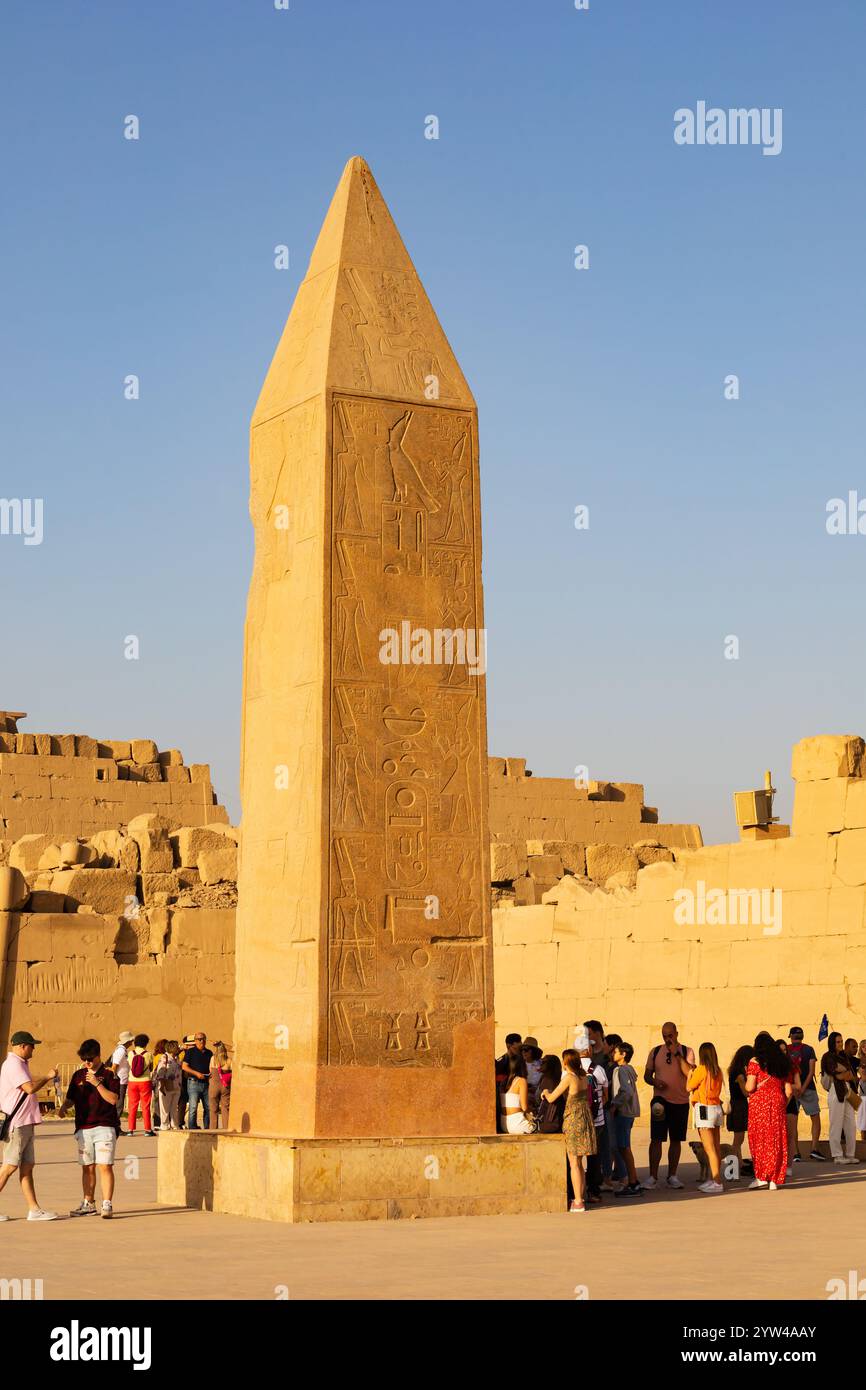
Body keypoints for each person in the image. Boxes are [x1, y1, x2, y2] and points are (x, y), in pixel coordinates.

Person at [0, 1030, 59, 1221]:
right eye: (32, 1045)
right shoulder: (13, 1064)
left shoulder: (21, 1064)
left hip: (26, 1123)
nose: (34, 1049)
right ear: (22, 1046)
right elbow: (30, 1088)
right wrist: (48, 1076)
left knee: (27, 1166)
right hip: (17, 1125)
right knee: (9, 1167)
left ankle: (34, 1210)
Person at [59, 1039, 121, 1219]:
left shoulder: (110, 1075)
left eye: (90, 1059)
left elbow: (112, 1099)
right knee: (87, 1167)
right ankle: (88, 1203)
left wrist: (96, 1083)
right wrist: (64, 1107)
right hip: (83, 1127)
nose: (86, 1063)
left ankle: (107, 1203)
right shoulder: (78, 1075)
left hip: (104, 1126)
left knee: (105, 1166)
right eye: (84, 1059)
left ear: (98, 1055)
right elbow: (71, 1097)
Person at [541, 1048, 595, 1213]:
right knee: (579, 1163)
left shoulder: (569, 1078)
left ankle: (578, 1201)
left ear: (566, 1062)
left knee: (573, 1164)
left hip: (573, 1121)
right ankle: (581, 1196)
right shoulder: (584, 1077)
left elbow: (552, 1097)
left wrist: (545, 1092)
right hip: (584, 1118)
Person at [642, 1022, 695, 1190]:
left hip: (680, 1101)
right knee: (656, 1138)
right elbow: (647, 1076)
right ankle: (652, 1176)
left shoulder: (687, 1051)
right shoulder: (655, 1051)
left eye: (670, 1035)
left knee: (676, 1139)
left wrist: (677, 1054)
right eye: (664, 1036)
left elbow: (689, 1074)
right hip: (660, 1100)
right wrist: (654, 1081)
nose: (667, 1039)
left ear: (677, 1034)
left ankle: (672, 1175)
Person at [745, 1032, 792, 1189]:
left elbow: (750, 1086)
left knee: (759, 1139)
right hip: (777, 1102)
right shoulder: (782, 1062)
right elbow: (789, 1091)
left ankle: (761, 1177)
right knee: (776, 1139)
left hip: (759, 1104)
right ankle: (774, 1180)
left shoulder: (755, 1062)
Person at [686, 1042, 724, 1194]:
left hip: (704, 1108)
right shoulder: (718, 1070)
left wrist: (690, 1075)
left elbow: (688, 1087)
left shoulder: (702, 1069)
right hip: (716, 1108)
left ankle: (717, 1181)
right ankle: (714, 1178)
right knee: (716, 1146)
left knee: (709, 1148)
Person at [820, 1031, 859, 1164]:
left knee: (851, 1124)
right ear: (832, 1043)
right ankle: (837, 1155)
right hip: (836, 1091)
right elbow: (835, 1073)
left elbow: (847, 1074)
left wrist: (843, 1071)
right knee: (836, 1124)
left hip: (847, 1090)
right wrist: (842, 1072)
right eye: (838, 1042)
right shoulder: (827, 1056)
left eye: (841, 1041)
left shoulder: (843, 1056)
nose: (841, 1044)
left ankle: (850, 1154)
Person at [610, 1041, 642, 1197]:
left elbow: (626, 1091)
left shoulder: (621, 1070)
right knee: (623, 1147)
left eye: (616, 1051)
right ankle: (633, 1180)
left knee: (624, 1147)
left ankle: (633, 1182)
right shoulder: (628, 1070)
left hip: (623, 1113)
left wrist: (614, 1105)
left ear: (623, 1055)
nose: (613, 1054)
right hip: (627, 1113)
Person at [787, 1026, 823, 1161]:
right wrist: (803, 1088)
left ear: (791, 1036)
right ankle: (814, 1148)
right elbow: (811, 1071)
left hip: (792, 1089)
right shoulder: (809, 1049)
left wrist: (795, 1088)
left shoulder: (786, 1049)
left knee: (793, 1120)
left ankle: (795, 1153)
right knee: (815, 1117)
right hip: (808, 1088)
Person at [581, 1031, 608, 1204]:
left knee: (574, 1158)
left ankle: (573, 1192)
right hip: (596, 1120)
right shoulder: (598, 1070)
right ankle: (593, 1192)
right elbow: (605, 1096)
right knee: (594, 1157)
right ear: (589, 1051)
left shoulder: (568, 1070)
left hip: (577, 1121)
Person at [726, 1044, 754, 1173]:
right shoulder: (740, 1075)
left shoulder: (733, 1070)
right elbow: (746, 1093)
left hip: (736, 1104)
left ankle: (740, 1163)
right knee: (738, 1139)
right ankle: (732, 1167)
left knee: (739, 1138)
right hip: (739, 1105)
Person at [777, 1039, 801, 1176]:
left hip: (789, 1102)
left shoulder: (792, 1066)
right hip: (776, 1101)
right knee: (778, 1136)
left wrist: (785, 1085)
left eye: (785, 1050)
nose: (783, 1052)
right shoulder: (772, 1066)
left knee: (790, 1135)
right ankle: (779, 1164)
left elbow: (798, 1085)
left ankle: (789, 1166)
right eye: (780, 1050)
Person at [183, 1032, 214, 1130]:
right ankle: (192, 1128)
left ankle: (207, 1128)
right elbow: (184, 1067)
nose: (202, 1041)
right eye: (199, 1039)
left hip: (206, 1083)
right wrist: (196, 1074)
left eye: (204, 1039)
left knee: (208, 1107)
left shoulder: (209, 1053)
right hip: (193, 1083)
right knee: (193, 1108)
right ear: (195, 1041)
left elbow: (212, 1066)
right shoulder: (190, 1052)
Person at [500, 1053, 536, 1134]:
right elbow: (524, 1107)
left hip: (504, 1124)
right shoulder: (521, 1081)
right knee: (538, 1127)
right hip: (517, 1124)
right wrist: (533, 1112)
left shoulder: (503, 1082)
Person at [127, 1034, 155, 1136]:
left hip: (132, 1081)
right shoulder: (148, 1054)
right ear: (146, 1043)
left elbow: (130, 1066)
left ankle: (130, 1129)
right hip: (145, 1082)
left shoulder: (131, 1053)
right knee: (145, 1106)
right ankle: (147, 1130)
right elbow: (151, 1068)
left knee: (132, 1106)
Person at [494, 1033, 522, 1131]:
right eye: (516, 1046)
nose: (519, 1049)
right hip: (503, 1097)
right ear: (509, 1046)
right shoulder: (501, 1062)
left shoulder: (520, 1061)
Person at [154, 1040, 183, 1131]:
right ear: (172, 1048)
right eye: (177, 1047)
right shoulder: (165, 1057)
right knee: (165, 1108)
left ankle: (174, 1124)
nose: (178, 1048)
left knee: (174, 1107)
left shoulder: (176, 1058)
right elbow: (161, 1073)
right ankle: (164, 1125)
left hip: (176, 1086)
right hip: (166, 1086)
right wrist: (161, 1085)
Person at [535, 1055, 565, 1133]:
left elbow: (539, 1100)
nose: (541, 1064)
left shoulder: (548, 1080)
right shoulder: (549, 1078)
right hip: (553, 1121)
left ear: (550, 1065)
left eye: (543, 1062)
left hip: (547, 1122)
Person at [109, 1029, 134, 1127]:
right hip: (119, 1081)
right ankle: (114, 1126)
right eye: (131, 1041)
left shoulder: (122, 1050)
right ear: (127, 1041)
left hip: (121, 1080)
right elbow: (114, 1066)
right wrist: (114, 1080)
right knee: (118, 1105)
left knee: (119, 1105)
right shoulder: (121, 1051)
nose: (132, 1042)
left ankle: (115, 1126)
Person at [208, 1043, 232, 1130]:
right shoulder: (229, 1060)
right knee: (225, 1108)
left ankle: (213, 1129)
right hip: (225, 1086)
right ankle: (226, 1128)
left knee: (213, 1109)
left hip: (214, 1085)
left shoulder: (213, 1059)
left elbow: (210, 1070)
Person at [520, 1038, 543, 1106]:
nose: (523, 1052)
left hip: (538, 1096)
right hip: (523, 1097)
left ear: (533, 1051)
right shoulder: (519, 1065)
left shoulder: (541, 1064)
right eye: (522, 1050)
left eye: (526, 1050)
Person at [856, 1040, 866, 1140]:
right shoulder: (859, 1061)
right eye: (863, 1046)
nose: (865, 1048)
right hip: (864, 1094)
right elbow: (863, 1077)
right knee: (864, 1122)